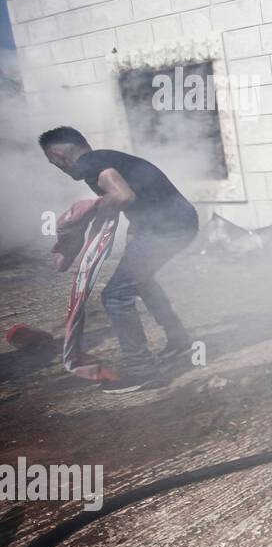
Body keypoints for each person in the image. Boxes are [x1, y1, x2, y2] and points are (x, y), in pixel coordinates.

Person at [39, 127, 198, 393]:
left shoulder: (89, 163)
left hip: (168, 229)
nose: (56, 167)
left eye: (52, 161)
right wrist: (135, 231)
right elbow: (140, 197)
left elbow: (124, 195)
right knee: (142, 281)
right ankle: (180, 341)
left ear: (58, 154)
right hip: (177, 223)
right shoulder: (106, 157)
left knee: (115, 295)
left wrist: (85, 211)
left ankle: (143, 372)